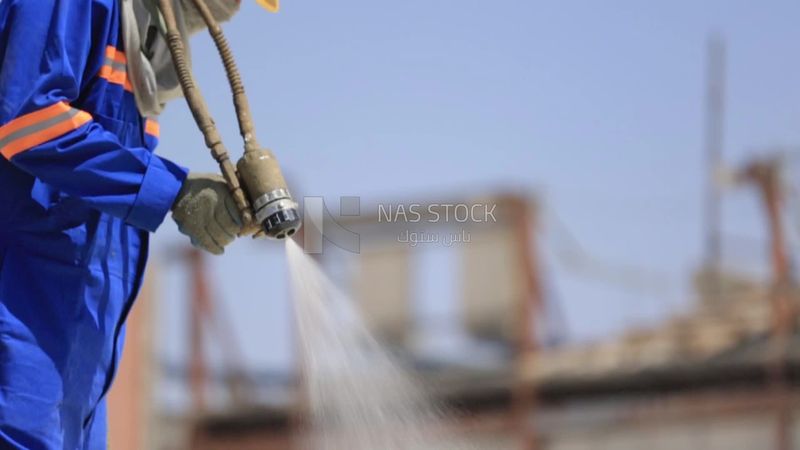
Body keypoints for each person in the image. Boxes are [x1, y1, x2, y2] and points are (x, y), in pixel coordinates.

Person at [0, 0, 277, 447]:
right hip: (19, 344)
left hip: (75, 363)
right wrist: (172, 191)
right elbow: (29, 121)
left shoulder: (133, 38)